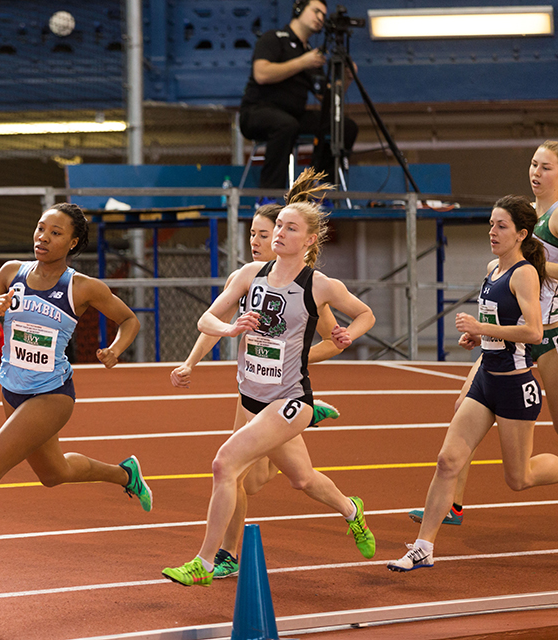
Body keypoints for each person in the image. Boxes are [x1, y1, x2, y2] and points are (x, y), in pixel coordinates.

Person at [0, 202, 150, 595]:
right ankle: (125, 474)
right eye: (41, 228)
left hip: (52, 394)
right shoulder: (12, 272)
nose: (43, 237)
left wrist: (116, 349)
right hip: (11, 387)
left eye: (55, 233)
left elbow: (130, 319)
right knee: (53, 474)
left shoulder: (83, 287)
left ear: (73, 242)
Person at [161, 195, 376, 587]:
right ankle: (351, 511)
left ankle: (205, 563)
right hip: (251, 398)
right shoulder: (249, 275)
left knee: (225, 464)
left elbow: (366, 314)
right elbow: (207, 317)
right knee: (303, 479)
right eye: (278, 227)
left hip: (289, 400)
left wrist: (348, 334)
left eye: (289, 228)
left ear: (310, 240)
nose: (278, 234)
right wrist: (230, 329)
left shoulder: (320, 285)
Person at [388, 195, 558, 572]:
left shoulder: (526, 272)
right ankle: (423, 547)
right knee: (448, 460)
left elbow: (532, 331)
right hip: (486, 380)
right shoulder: (492, 268)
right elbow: (503, 328)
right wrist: (482, 340)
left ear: (521, 234)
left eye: (501, 226)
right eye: (491, 224)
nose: (492, 232)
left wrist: (482, 328)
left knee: (520, 477)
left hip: (515, 385)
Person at [406, 140, 558, 528]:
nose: (535, 173)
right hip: (507, 336)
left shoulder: (555, 218)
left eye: (546, 167)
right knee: (465, 405)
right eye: (533, 164)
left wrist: (529, 268)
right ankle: (451, 503)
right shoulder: (525, 211)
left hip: (549, 335)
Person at [238, 0, 358, 195]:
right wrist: (302, 62)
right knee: (286, 125)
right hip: (257, 111)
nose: (320, 18)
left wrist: (346, 78)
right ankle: (269, 195)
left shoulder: (310, 54)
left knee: (343, 126)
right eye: (316, 11)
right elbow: (261, 73)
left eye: (323, 15)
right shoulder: (274, 38)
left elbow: (325, 98)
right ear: (299, 9)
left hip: (294, 115)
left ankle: (318, 189)